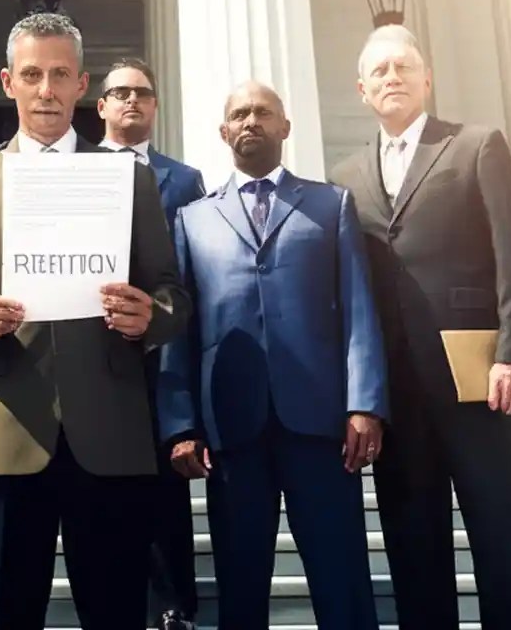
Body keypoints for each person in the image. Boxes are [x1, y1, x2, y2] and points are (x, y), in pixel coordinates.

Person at [0, 12, 190, 630]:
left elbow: (171, 293)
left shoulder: (130, 181)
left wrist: (147, 316)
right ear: (7, 82)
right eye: (31, 74)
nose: (45, 89)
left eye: (59, 75)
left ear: (83, 85)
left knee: (116, 610)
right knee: (1, 612)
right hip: (7, 431)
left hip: (109, 431)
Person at [329, 24, 511, 629]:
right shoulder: (344, 177)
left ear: (426, 78)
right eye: (380, 72)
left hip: (478, 380)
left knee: (501, 546)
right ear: (362, 90)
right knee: (413, 551)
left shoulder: (476, 145)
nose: (392, 78)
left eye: (403, 67)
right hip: (397, 396)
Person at [158, 81, 387, 629]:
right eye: (239, 113)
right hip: (231, 429)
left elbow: (359, 308)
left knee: (342, 578)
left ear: (285, 126)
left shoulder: (331, 204)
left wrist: (366, 404)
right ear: (223, 132)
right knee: (240, 585)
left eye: (263, 112)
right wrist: (180, 423)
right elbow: (178, 331)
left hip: (321, 424)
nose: (250, 121)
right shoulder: (192, 219)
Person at [96, 57, 204, 630]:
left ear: (155, 105)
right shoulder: (75, 168)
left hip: (159, 360)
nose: (131, 101)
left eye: (142, 93)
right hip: (89, 357)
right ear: (102, 106)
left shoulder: (183, 181)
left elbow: (189, 278)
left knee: (162, 497)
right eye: (120, 93)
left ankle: (171, 608)